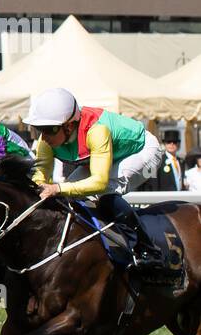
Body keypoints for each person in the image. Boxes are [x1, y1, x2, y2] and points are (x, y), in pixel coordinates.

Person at [26, 87, 169, 277]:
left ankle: (147, 250)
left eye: (49, 130)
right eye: (39, 130)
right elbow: (41, 172)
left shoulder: (97, 131)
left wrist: (58, 188)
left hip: (141, 151)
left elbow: (99, 183)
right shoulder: (47, 140)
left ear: (69, 126)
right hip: (102, 155)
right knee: (69, 197)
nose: (44, 137)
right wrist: (40, 187)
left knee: (104, 192)